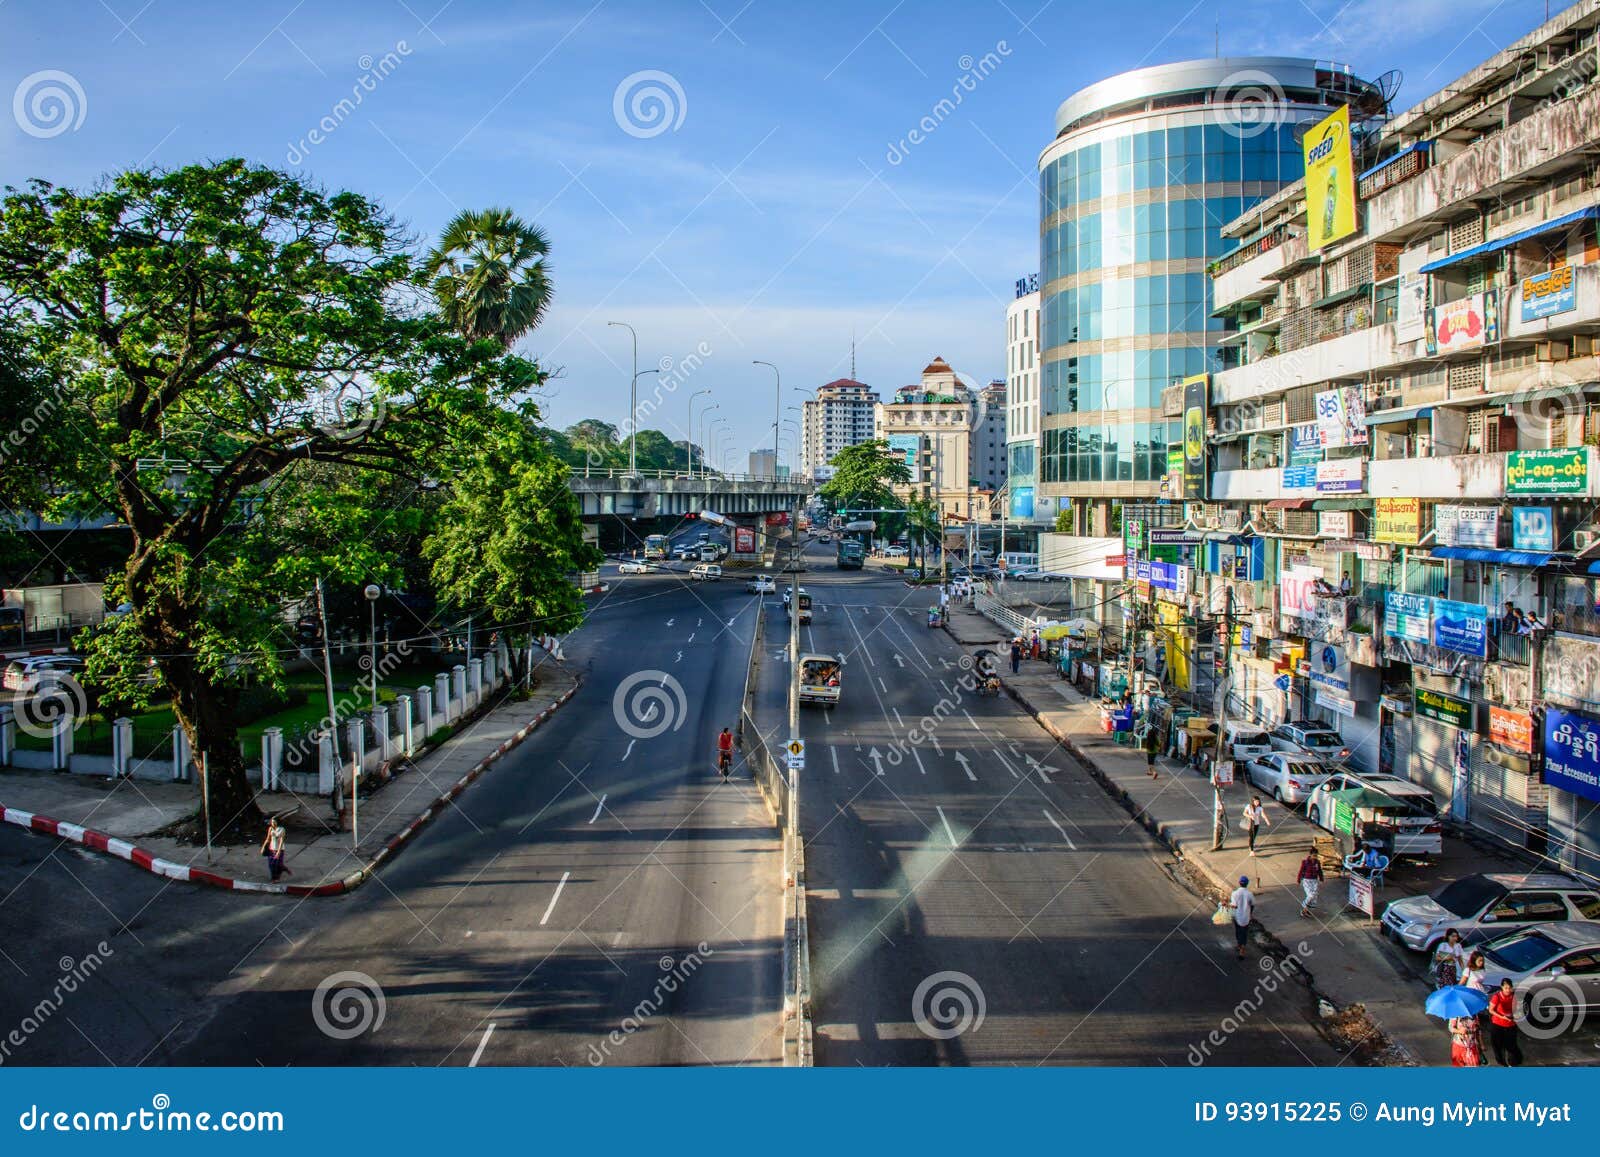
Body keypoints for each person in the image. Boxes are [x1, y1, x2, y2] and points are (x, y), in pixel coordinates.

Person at [1487, 979, 1523, 1066]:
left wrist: (1517, 1014)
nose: (1508, 990)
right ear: (1502, 987)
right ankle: (1502, 1063)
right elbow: (1491, 1010)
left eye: (1509, 988)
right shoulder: (1497, 997)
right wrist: (1502, 1017)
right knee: (1498, 1046)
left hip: (1510, 1024)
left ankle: (1513, 1062)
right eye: (1506, 988)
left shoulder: (1514, 996)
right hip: (1498, 1024)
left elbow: (1518, 1009)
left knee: (1511, 1045)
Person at [1228, 875, 1255, 960]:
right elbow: (1253, 904)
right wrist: (1250, 913)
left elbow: (1234, 906)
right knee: (1244, 933)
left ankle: (1239, 946)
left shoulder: (1235, 893)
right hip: (1246, 918)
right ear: (1247, 884)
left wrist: (1226, 905)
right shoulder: (1250, 894)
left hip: (1237, 917)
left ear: (1239, 883)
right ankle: (1242, 947)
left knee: (1238, 931)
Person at [259, 816, 290, 882]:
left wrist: (278, 851)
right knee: (271, 864)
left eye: (274, 822)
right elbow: (268, 839)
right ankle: (274, 877)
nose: (272, 823)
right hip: (271, 848)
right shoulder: (270, 828)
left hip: (279, 849)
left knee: (277, 864)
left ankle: (276, 878)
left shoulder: (282, 829)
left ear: (277, 822)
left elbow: (281, 840)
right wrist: (263, 847)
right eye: (272, 822)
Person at [1296, 844, 1324, 917]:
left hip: (1314, 881)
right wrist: (1298, 880)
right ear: (1310, 855)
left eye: (1316, 856)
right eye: (1314, 856)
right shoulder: (1305, 862)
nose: (1315, 857)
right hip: (1307, 880)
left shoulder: (1317, 862)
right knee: (1310, 895)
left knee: (1314, 896)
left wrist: (1321, 879)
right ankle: (1304, 909)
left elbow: (1320, 871)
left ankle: (1306, 910)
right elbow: (1301, 871)